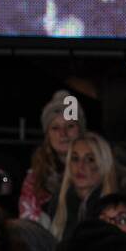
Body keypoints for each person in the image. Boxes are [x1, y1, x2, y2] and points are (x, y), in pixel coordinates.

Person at [19, 90, 85, 223]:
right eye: (55, 128)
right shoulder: (35, 177)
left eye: (70, 126)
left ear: (81, 131)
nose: (63, 133)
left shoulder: (100, 168)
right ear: (47, 135)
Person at [48, 132, 118, 240]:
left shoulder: (116, 209)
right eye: (75, 158)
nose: (80, 166)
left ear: (104, 164)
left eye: (90, 159)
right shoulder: (57, 204)